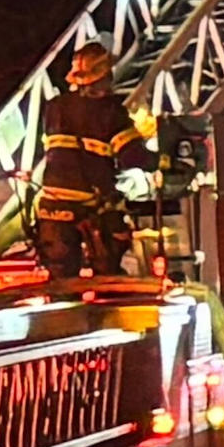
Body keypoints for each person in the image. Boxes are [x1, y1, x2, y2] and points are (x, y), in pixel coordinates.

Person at [33, 41, 150, 280]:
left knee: (60, 284)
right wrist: (163, 159)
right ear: (104, 75)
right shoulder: (110, 112)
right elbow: (133, 157)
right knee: (109, 275)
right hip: (92, 208)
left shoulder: (55, 107)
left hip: (51, 208)